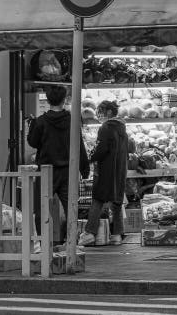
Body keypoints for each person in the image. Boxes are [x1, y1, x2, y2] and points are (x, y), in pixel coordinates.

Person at [27, 85, 90, 249]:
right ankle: (71, 245)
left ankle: (43, 245)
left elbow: (33, 142)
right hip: (68, 171)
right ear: (65, 100)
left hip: (46, 171)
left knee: (42, 210)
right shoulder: (72, 120)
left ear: (48, 100)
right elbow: (79, 145)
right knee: (71, 208)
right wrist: (84, 168)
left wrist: (32, 126)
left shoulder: (40, 122)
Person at [79, 100, 132, 247]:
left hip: (106, 169)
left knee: (97, 200)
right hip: (120, 170)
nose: (98, 115)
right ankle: (117, 235)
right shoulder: (122, 128)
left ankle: (90, 233)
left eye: (101, 112)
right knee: (117, 201)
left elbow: (100, 149)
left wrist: (89, 158)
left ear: (109, 112)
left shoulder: (106, 127)